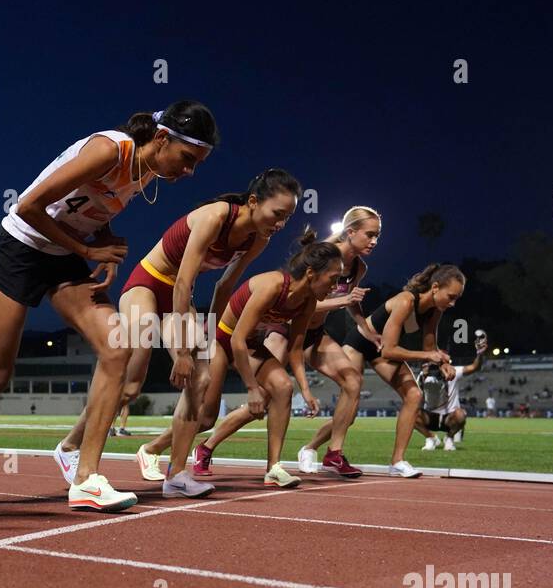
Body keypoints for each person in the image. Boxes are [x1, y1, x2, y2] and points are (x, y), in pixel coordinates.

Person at [0, 101, 218, 512]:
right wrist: (87, 249)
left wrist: (101, 246)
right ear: (161, 139)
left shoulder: (144, 175)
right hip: (20, 248)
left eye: (197, 165)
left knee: (116, 346)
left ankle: (86, 478)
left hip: (63, 255)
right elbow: (29, 206)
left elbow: (93, 209)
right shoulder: (111, 150)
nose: (189, 171)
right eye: (188, 158)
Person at [65, 170, 299, 483]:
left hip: (178, 296)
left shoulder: (258, 238)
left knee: (200, 380)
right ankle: (69, 446)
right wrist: (183, 351)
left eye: (288, 217)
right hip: (148, 284)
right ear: (254, 202)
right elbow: (184, 281)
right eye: (278, 214)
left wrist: (214, 336)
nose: (281, 224)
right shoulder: (215, 217)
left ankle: (176, 476)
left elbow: (224, 286)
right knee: (131, 382)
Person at [193, 207, 382, 479]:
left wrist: (365, 328)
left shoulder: (357, 268)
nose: (374, 241)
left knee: (353, 380)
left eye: (377, 236)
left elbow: (351, 303)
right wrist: (341, 301)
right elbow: (300, 294)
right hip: (284, 327)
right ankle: (207, 446)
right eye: (370, 235)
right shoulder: (324, 253)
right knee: (268, 395)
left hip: (313, 334)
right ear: (351, 231)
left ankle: (333, 454)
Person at [170, 240, 344, 494]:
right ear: (310, 273)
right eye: (333, 278)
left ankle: (274, 469)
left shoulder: (306, 302)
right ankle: (155, 449)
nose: (336, 286)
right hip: (220, 339)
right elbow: (236, 339)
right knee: (206, 418)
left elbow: (296, 349)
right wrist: (252, 388)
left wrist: (305, 390)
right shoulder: (272, 285)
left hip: (248, 344)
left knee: (283, 387)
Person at [340, 263, 466, 477]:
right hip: (359, 344)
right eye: (451, 296)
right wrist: (429, 356)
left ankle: (397, 461)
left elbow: (429, 346)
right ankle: (311, 448)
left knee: (414, 395)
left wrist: (443, 363)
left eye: (456, 299)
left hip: (380, 349)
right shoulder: (406, 300)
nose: (453, 303)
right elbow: (390, 350)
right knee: (349, 412)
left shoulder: (436, 310)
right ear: (435, 287)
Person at [419, 333, 488, 451]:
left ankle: (449, 438)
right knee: (410, 413)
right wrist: (423, 379)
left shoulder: (454, 371)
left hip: (449, 417)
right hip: (430, 416)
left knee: (461, 414)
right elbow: (417, 398)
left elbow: (474, 367)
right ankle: (431, 438)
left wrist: (480, 354)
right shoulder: (423, 375)